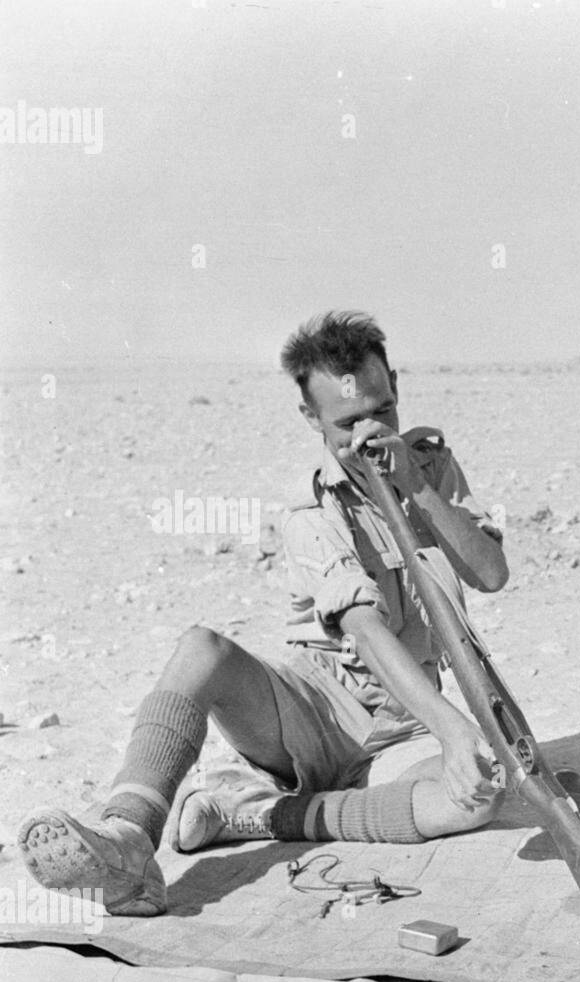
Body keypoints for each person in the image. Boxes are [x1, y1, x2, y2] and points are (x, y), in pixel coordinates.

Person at [20, 311, 506, 917]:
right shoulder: (308, 510)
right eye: (347, 423)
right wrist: (456, 729)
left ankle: (258, 813)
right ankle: (128, 837)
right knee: (200, 649)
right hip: (313, 712)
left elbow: (490, 574)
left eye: (381, 411)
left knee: (475, 800)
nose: (369, 434)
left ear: (397, 388)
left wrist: (419, 488)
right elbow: (366, 631)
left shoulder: (432, 464)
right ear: (311, 418)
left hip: (402, 728)